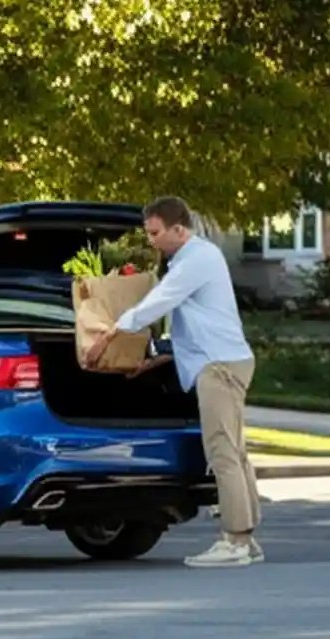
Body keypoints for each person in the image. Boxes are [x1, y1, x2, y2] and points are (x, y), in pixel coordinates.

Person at [85, 196, 263, 568]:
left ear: (178, 229)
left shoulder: (195, 259)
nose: (151, 240)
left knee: (222, 453)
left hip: (219, 366)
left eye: (155, 233)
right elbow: (190, 329)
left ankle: (235, 541)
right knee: (235, 451)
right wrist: (154, 360)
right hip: (222, 360)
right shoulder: (193, 259)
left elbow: (158, 302)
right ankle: (247, 539)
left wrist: (110, 333)